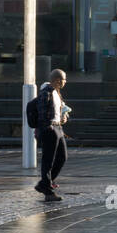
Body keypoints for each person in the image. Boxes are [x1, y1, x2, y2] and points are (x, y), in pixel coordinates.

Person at [34, 69, 71, 202]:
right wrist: (48, 127)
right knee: (47, 160)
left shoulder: (57, 93)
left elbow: (58, 110)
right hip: (50, 129)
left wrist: (63, 117)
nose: (65, 82)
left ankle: (44, 183)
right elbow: (42, 113)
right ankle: (48, 191)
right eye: (64, 79)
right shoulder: (46, 92)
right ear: (57, 80)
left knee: (62, 156)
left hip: (58, 128)